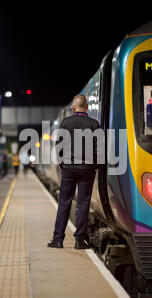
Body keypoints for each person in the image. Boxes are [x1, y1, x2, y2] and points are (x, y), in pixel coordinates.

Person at [48, 94, 102, 250]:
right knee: (84, 203)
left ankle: (58, 240)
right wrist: (95, 165)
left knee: (64, 202)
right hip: (87, 169)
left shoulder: (65, 123)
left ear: (74, 107)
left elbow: (58, 147)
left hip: (69, 169)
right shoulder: (94, 124)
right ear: (87, 107)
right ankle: (79, 240)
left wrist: (63, 164)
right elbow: (100, 149)